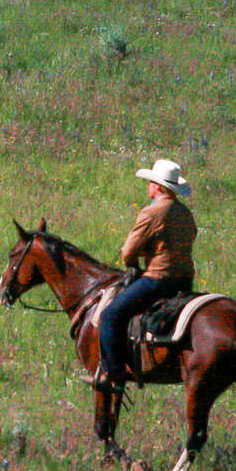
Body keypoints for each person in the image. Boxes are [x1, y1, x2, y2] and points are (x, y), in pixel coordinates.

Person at [84, 158, 197, 391]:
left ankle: (113, 376)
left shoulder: (153, 212)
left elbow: (128, 251)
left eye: (150, 182)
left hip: (158, 279)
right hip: (184, 281)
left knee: (110, 316)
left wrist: (133, 263)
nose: (148, 186)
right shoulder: (185, 213)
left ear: (158, 187)